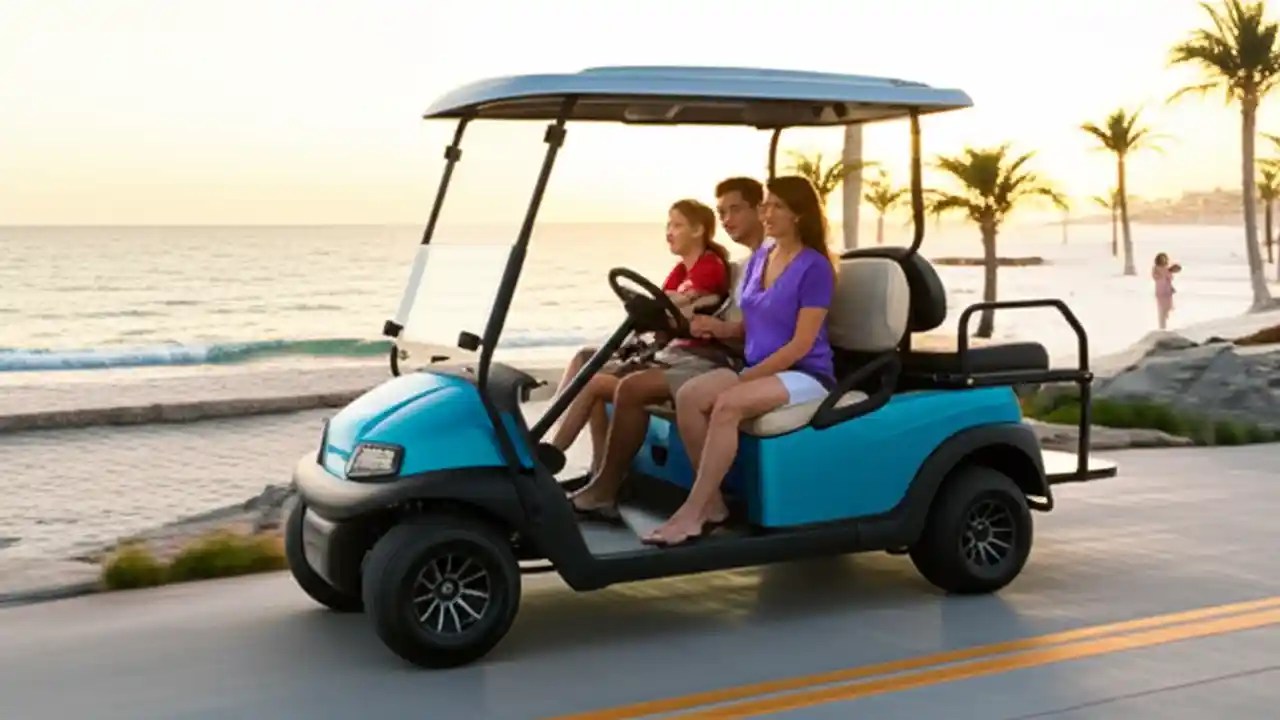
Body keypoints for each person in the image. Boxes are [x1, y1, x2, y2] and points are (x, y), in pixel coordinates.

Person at [555, 178, 769, 520]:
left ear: (761, 210)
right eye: (722, 212)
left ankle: (561, 462)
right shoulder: (746, 265)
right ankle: (601, 478)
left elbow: (753, 326)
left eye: (735, 209)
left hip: (713, 357)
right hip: (691, 350)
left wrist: (713, 324)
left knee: (613, 384)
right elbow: (678, 304)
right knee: (591, 367)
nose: (727, 219)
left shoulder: (750, 263)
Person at [643, 175, 837, 546]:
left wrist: (747, 379)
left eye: (776, 206)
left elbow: (800, 344)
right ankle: (713, 505)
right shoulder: (762, 257)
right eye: (765, 204)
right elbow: (753, 321)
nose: (766, 212)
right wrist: (714, 328)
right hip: (759, 369)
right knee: (689, 397)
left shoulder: (815, 268)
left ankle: (692, 512)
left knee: (727, 404)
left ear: (798, 214)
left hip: (804, 374)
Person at [1153, 252, 1182, 330]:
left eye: (1164, 258)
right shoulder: (1156, 268)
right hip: (1160, 290)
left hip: (1167, 291)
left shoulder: (1166, 268)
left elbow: (1169, 278)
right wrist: (1167, 272)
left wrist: (1171, 287)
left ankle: (1165, 324)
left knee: (1167, 308)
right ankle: (1162, 326)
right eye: (1161, 259)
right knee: (1162, 309)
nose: (1163, 260)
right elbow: (1157, 276)